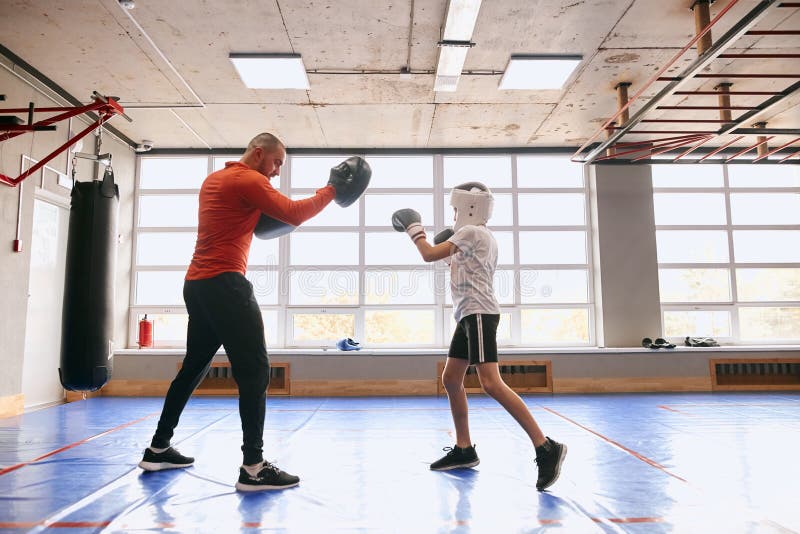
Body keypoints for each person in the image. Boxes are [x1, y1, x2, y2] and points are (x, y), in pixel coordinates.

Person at [138, 132, 370, 492]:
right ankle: (254, 467)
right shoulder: (249, 179)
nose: (277, 172)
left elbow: (260, 225)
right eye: (276, 162)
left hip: (197, 285)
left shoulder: (216, 179)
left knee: (194, 367)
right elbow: (294, 213)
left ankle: (158, 447)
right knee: (256, 370)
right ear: (259, 153)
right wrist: (331, 189)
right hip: (226, 285)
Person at [391, 182, 567, 491]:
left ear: (469, 208)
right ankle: (464, 448)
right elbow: (453, 264)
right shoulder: (478, 237)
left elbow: (429, 255)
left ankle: (545, 446)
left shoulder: (473, 233)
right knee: (450, 378)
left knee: (490, 382)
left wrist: (414, 229)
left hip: (480, 313)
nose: (454, 214)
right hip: (467, 315)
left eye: (456, 209)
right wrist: (446, 252)